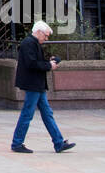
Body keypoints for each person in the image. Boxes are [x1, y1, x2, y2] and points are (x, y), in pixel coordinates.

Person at [11, 21, 75, 154]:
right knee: (29, 114)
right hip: (33, 84)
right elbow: (32, 64)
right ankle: (17, 143)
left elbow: (36, 62)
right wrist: (49, 65)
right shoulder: (29, 43)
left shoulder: (32, 43)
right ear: (39, 32)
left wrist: (50, 61)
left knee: (46, 114)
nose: (46, 39)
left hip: (37, 84)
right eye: (45, 36)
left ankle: (58, 143)